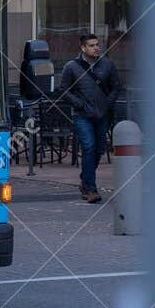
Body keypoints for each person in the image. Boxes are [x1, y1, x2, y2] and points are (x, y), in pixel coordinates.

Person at [58, 34, 120, 202]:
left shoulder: (107, 64)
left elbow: (116, 86)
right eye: (92, 45)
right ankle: (90, 189)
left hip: (102, 114)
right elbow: (63, 90)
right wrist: (79, 104)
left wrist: (107, 103)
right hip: (82, 115)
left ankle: (85, 180)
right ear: (83, 48)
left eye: (97, 45)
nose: (96, 48)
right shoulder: (71, 67)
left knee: (99, 149)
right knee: (89, 147)